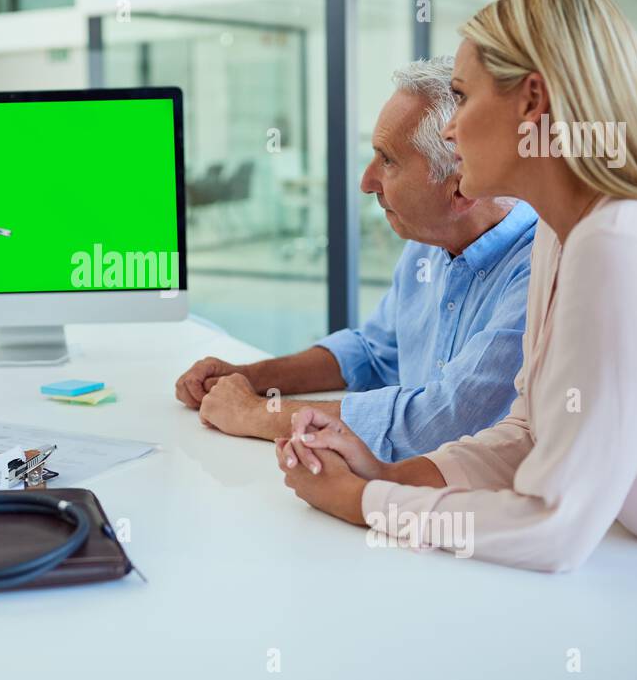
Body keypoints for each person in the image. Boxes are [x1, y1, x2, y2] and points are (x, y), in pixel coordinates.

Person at [277, 0, 637, 584]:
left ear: (532, 102)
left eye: (460, 97)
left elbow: (550, 527)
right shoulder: (562, 234)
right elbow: (530, 432)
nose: (451, 129)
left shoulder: (621, 246)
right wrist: (385, 474)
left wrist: (361, 504)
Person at [175, 58, 537, 461]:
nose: (366, 182)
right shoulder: (430, 242)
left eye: (388, 160)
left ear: (460, 189)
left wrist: (258, 413)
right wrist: (248, 377)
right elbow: (372, 352)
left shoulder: (536, 273)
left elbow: (441, 423)